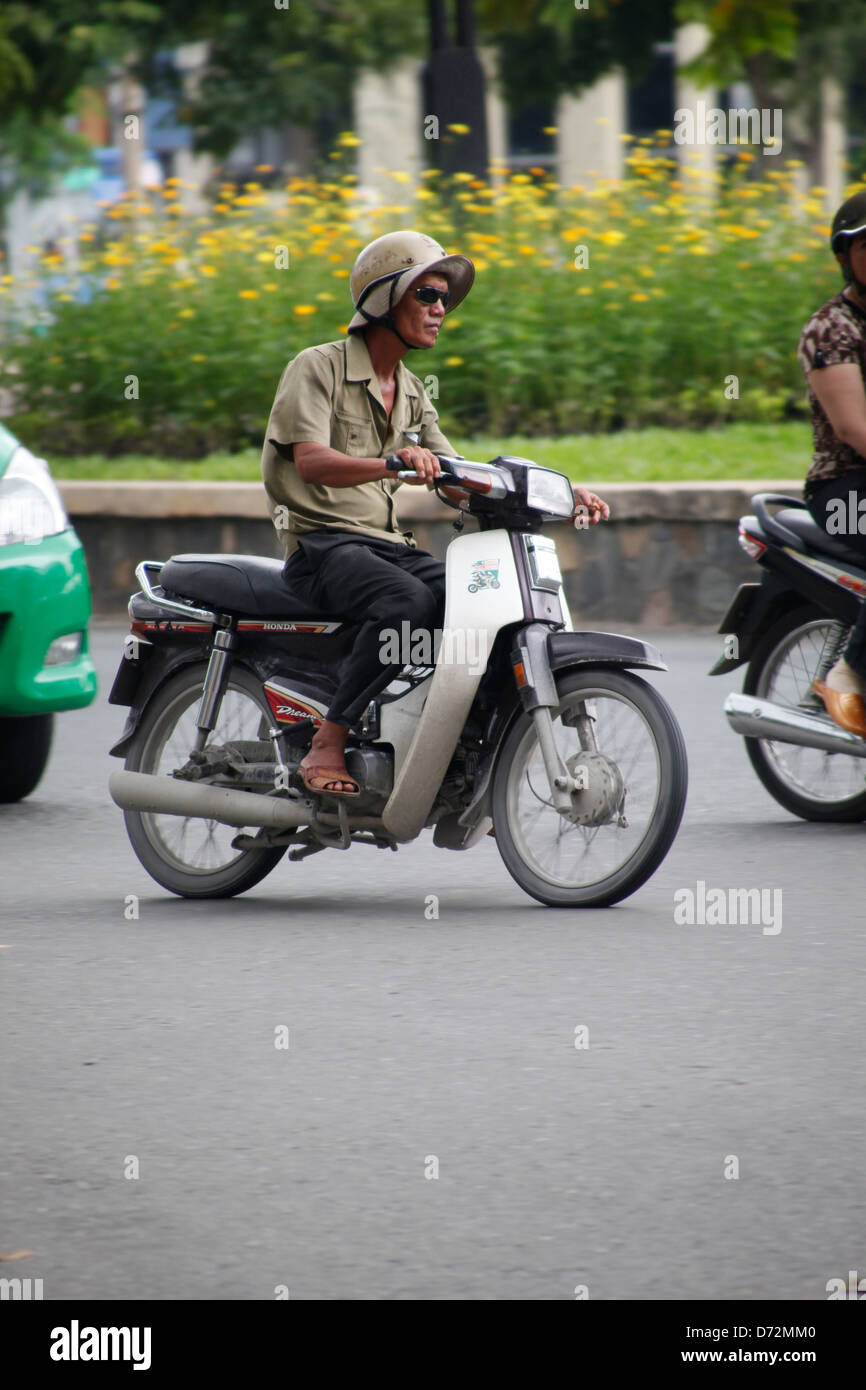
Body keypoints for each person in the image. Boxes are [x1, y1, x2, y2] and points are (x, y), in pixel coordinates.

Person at [262, 229, 609, 796]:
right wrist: (390, 463)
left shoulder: (412, 390)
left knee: (482, 606)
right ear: (384, 299)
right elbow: (311, 462)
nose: (440, 309)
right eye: (426, 295)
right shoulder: (317, 367)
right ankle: (328, 740)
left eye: (444, 298)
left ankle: (459, 753)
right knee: (407, 603)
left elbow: (458, 475)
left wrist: (564, 496)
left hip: (385, 546)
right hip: (320, 545)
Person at [799, 190, 866, 737]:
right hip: (844, 487)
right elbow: (853, 429)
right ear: (846, 257)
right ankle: (850, 673)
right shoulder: (832, 328)